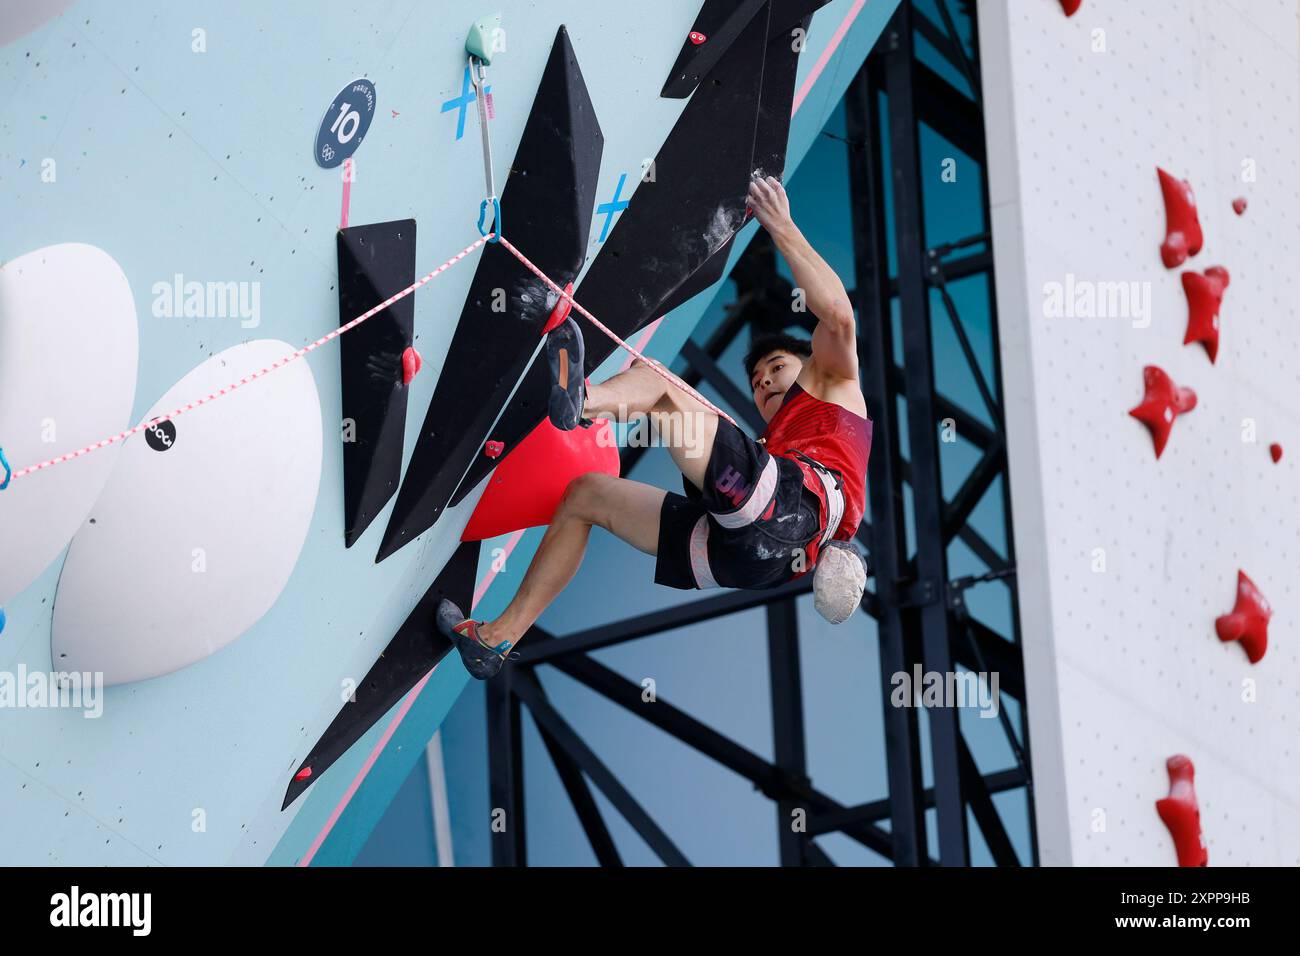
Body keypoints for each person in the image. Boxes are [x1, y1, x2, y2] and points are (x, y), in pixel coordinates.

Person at [438, 175, 872, 679]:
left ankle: (584, 402)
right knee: (584, 497)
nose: (765, 381)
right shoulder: (779, 450)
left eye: (777, 367)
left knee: (663, 388)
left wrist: (781, 224)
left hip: (777, 515)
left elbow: (838, 317)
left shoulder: (837, 386)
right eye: (757, 380)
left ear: (810, 363)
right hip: (743, 558)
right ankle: (494, 641)